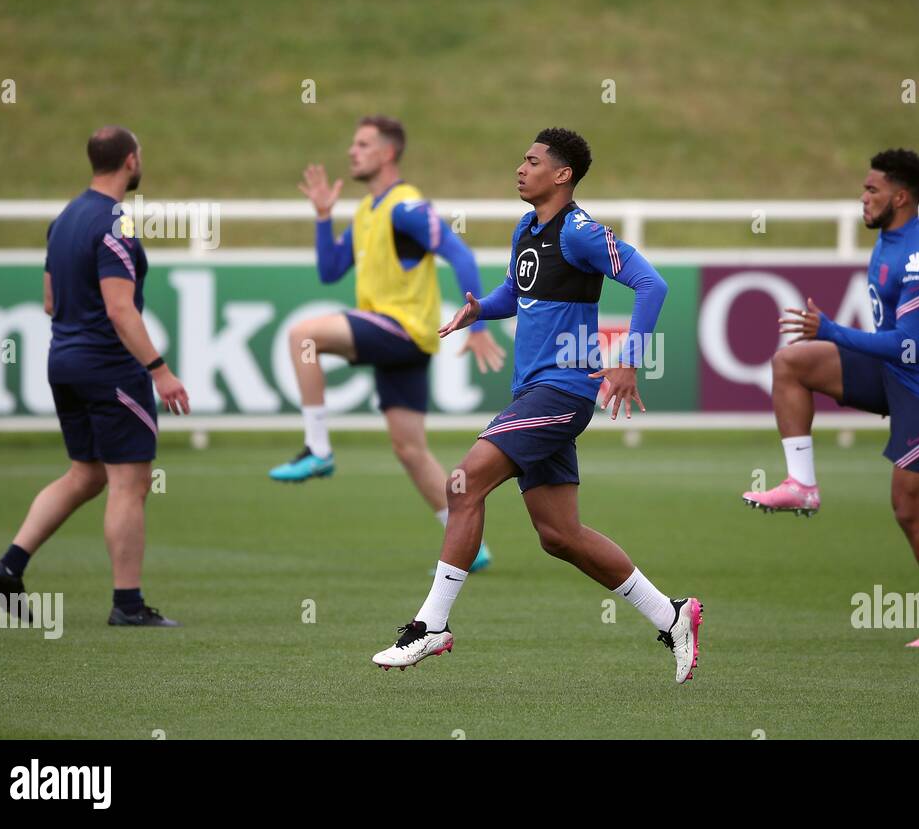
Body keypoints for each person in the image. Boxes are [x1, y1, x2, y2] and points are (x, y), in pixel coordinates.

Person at [370, 127, 703, 683]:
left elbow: (653, 285)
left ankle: (431, 626)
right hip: (533, 392)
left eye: (532, 161)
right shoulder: (527, 227)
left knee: (464, 482)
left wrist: (628, 359)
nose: (520, 168)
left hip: (565, 391)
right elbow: (516, 291)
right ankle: (671, 615)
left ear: (563, 175)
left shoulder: (583, 233)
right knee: (559, 535)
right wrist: (481, 310)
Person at [743, 149, 919, 648]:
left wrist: (829, 330)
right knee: (791, 363)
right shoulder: (889, 241)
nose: (863, 198)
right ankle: (802, 483)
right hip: (895, 373)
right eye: (864, 189)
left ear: (902, 196)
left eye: (872, 190)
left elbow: (908, 345)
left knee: (910, 512)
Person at [275, 115, 505, 572]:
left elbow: (460, 253)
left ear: (388, 153)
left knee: (303, 336)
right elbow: (330, 270)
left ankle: (318, 448)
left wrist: (477, 325)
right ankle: (469, 544)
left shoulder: (406, 206)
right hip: (400, 339)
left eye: (362, 144)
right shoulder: (366, 211)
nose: (351, 152)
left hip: (401, 329)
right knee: (410, 449)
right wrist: (324, 216)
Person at [0, 126, 188, 626]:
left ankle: (10, 564)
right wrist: (159, 371)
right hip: (110, 366)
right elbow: (120, 309)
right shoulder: (114, 224)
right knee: (129, 482)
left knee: (86, 473)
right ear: (131, 161)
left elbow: (50, 301)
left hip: (64, 361)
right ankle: (128, 604)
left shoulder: (65, 218)